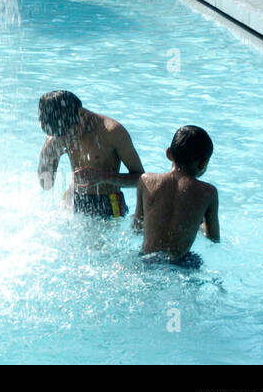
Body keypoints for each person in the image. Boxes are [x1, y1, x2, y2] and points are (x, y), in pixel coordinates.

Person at [36, 90, 144, 218]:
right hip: (72, 198)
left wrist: (104, 177)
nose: (66, 137)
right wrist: (46, 154)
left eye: (68, 132)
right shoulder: (59, 134)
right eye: (60, 134)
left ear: (81, 113)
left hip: (109, 203)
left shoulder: (111, 132)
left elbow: (141, 179)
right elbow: (46, 185)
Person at [133, 125, 219, 268]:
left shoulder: (146, 180)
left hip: (147, 260)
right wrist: (199, 224)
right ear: (203, 163)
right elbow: (214, 238)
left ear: (169, 154)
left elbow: (137, 227)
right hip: (180, 264)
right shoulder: (208, 192)